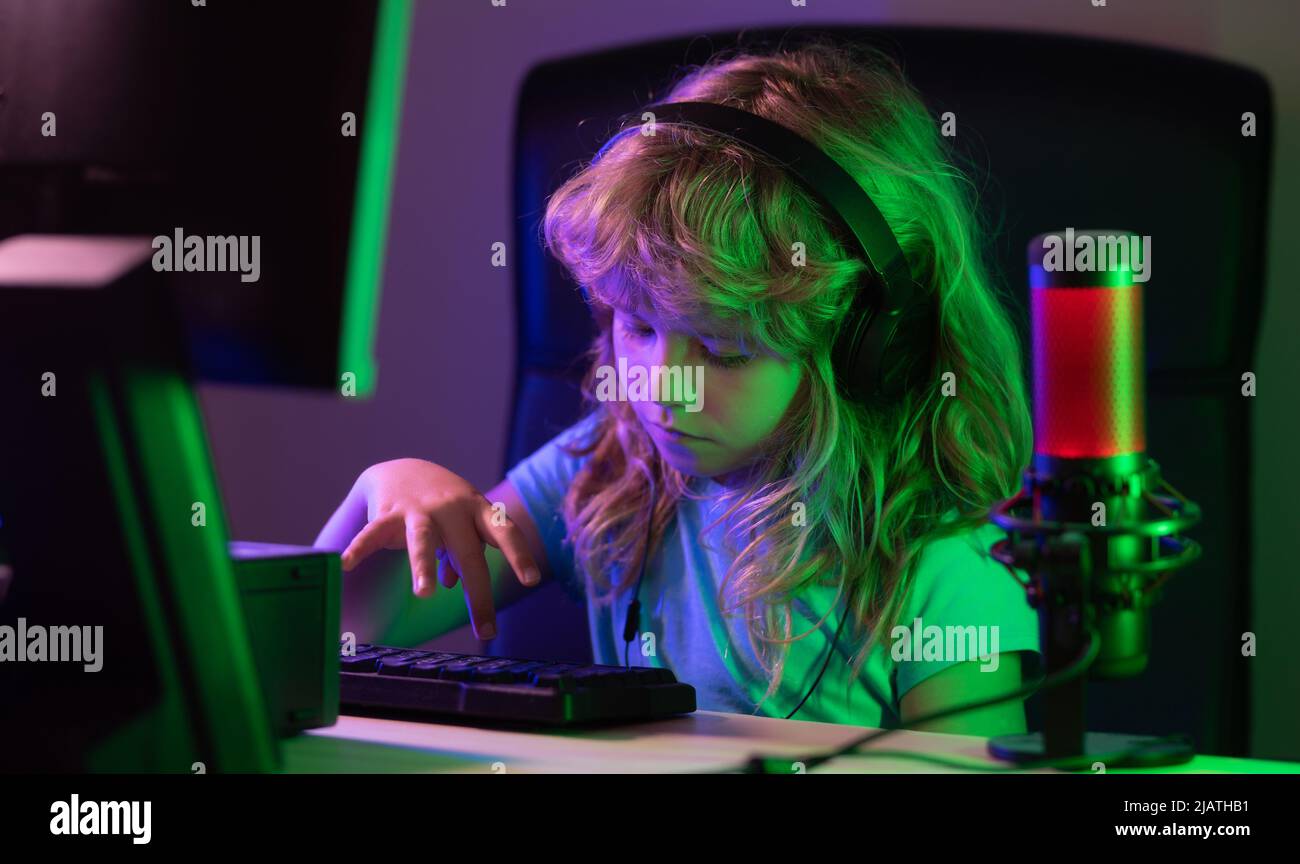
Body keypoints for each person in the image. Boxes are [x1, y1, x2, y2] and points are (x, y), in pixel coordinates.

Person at [316, 40, 1039, 735]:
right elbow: (339, 636)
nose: (663, 392)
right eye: (637, 327)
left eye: (723, 350)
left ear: (867, 350)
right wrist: (382, 495)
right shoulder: (612, 471)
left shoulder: (944, 575)